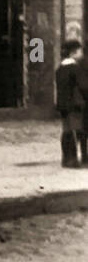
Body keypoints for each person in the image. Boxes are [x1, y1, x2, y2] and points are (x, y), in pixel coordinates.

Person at [55, 39, 87, 168]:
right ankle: (72, 159)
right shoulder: (75, 68)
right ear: (73, 53)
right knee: (75, 130)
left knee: (66, 130)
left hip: (63, 104)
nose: (82, 54)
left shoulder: (60, 69)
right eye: (80, 51)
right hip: (74, 104)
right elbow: (84, 86)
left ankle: (66, 158)